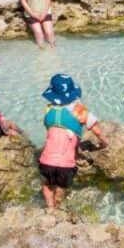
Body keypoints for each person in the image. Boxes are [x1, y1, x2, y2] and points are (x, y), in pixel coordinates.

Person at [38, 73, 107, 210]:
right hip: (66, 164)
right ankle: (58, 206)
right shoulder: (79, 110)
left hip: (46, 161)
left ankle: (50, 208)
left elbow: (50, 128)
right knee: (61, 187)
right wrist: (104, 141)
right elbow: (96, 129)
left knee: (47, 185)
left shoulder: (48, 110)